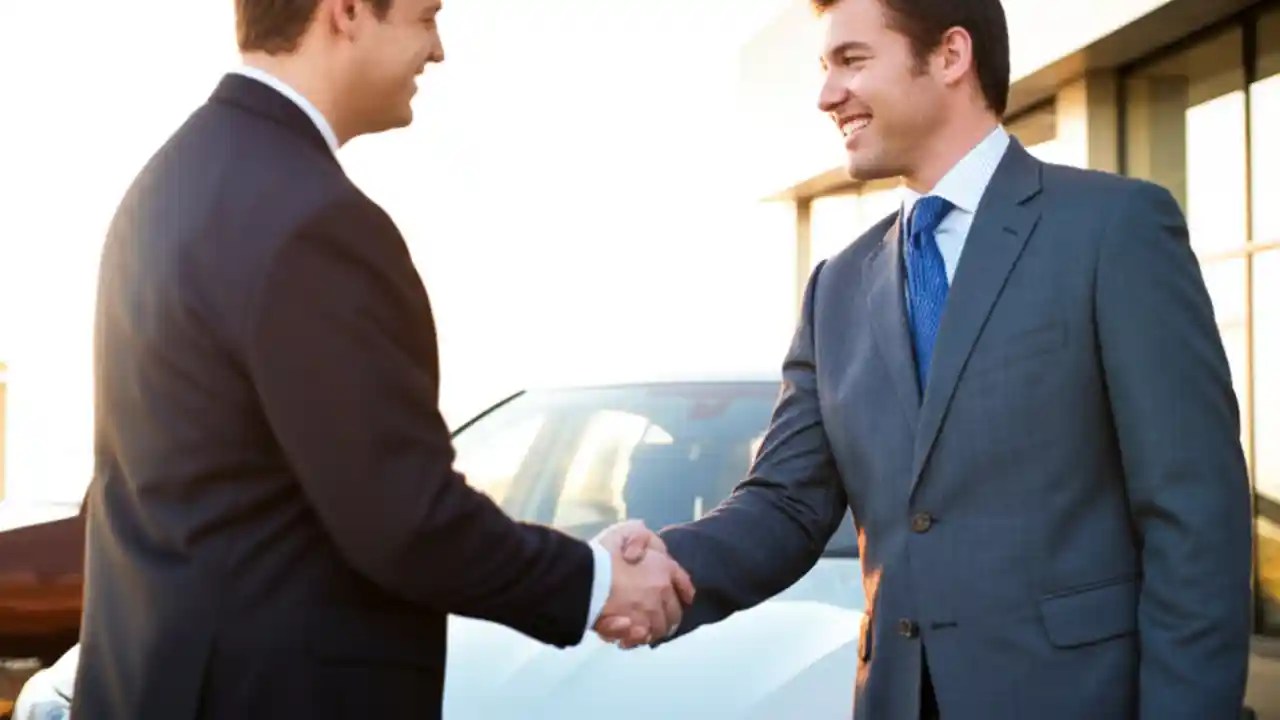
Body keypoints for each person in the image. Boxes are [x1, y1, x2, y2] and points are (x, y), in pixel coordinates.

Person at [600, 0, 1254, 717]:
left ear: (949, 56)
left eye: (851, 61)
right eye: (824, 68)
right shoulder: (837, 287)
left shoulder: (1114, 230)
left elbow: (1194, 518)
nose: (825, 96)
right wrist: (652, 566)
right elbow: (785, 504)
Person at [75, 1, 690, 718]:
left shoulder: (166, 186)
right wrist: (594, 580)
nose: (438, 51)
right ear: (346, 13)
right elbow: (403, 518)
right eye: (426, 17)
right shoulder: (312, 220)